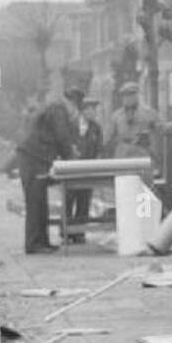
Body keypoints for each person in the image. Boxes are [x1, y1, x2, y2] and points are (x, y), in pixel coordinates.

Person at [14, 87, 82, 254]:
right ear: (73, 103)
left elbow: (61, 136)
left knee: (41, 202)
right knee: (35, 202)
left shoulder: (55, 108)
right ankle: (33, 244)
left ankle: (42, 242)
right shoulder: (58, 110)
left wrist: (68, 153)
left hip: (38, 158)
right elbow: (61, 136)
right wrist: (70, 156)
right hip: (33, 159)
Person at [66, 97, 104, 238]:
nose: (93, 113)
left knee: (84, 201)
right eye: (90, 109)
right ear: (83, 111)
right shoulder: (71, 125)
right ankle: (66, 233)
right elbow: (64, 144)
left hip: (88, 170)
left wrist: (97, 164)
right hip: (71, 170)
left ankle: (79, 233)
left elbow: (99, 149)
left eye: (94, 110)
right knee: (68, 200)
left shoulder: (96, 128)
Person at [104, 81, 162, 162]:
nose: (127, 98)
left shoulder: (149, 113)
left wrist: (155, 153)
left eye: (131, 95)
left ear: (137, 95)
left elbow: (159, 131)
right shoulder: (116, 116)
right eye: (125, 96)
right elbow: (108, 137)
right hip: (122, 153)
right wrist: (105, 152)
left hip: (141, 152)